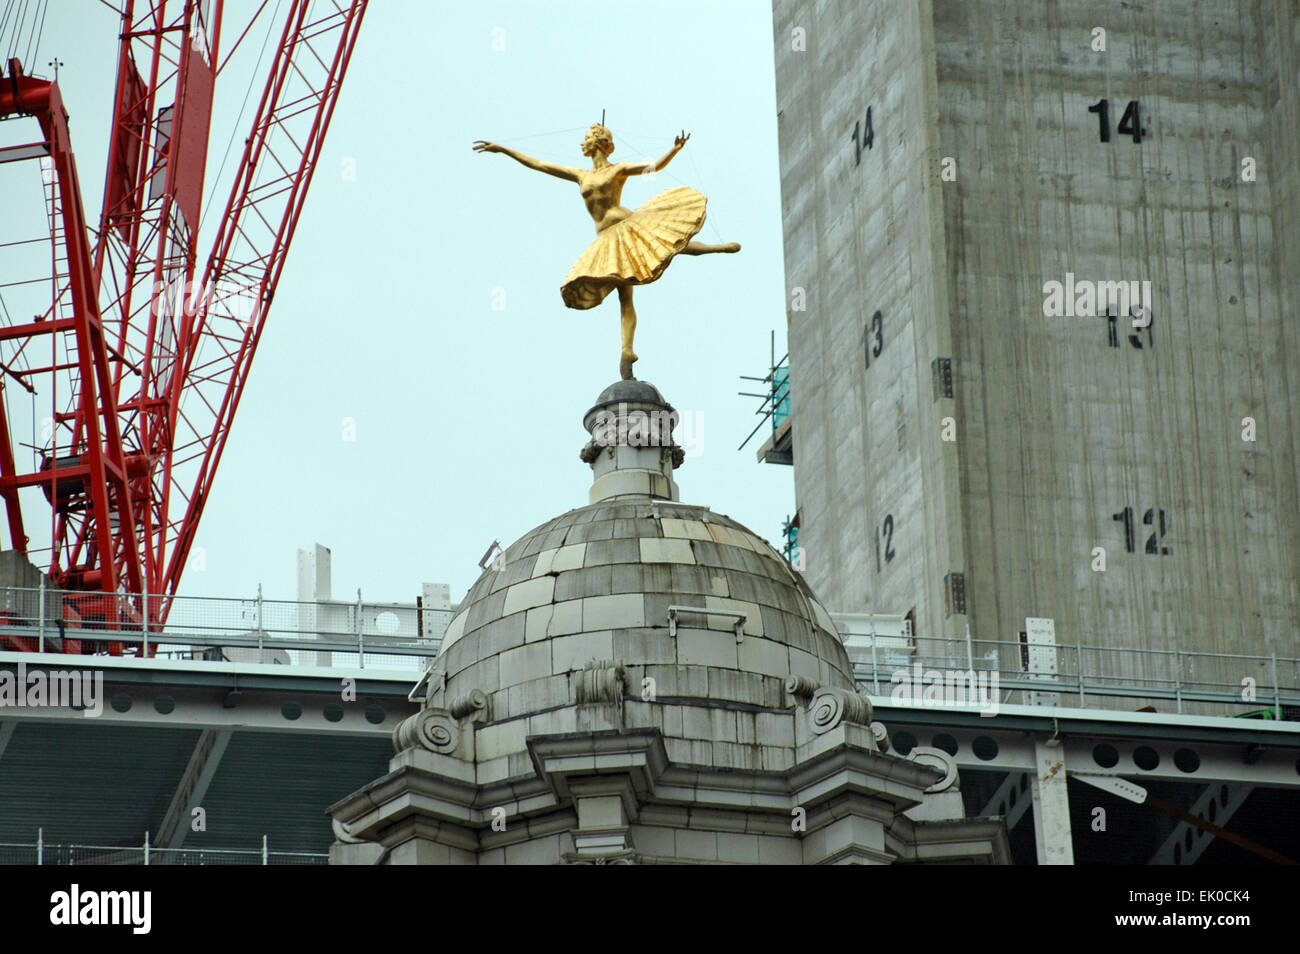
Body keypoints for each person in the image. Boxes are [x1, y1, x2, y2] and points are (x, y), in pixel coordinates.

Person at [473, 123, 740, 379]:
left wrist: (675, 149)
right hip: (605, 238)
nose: (582, 142)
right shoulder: (580, 175)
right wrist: (504, 150)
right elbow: (540, 165)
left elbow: (653, 167)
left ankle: (718, 248)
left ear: (599, 142)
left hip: (625, 224)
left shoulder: (618, 170)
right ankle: (627, 350)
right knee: (625, 296)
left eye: (587, 137)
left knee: (671, 244)